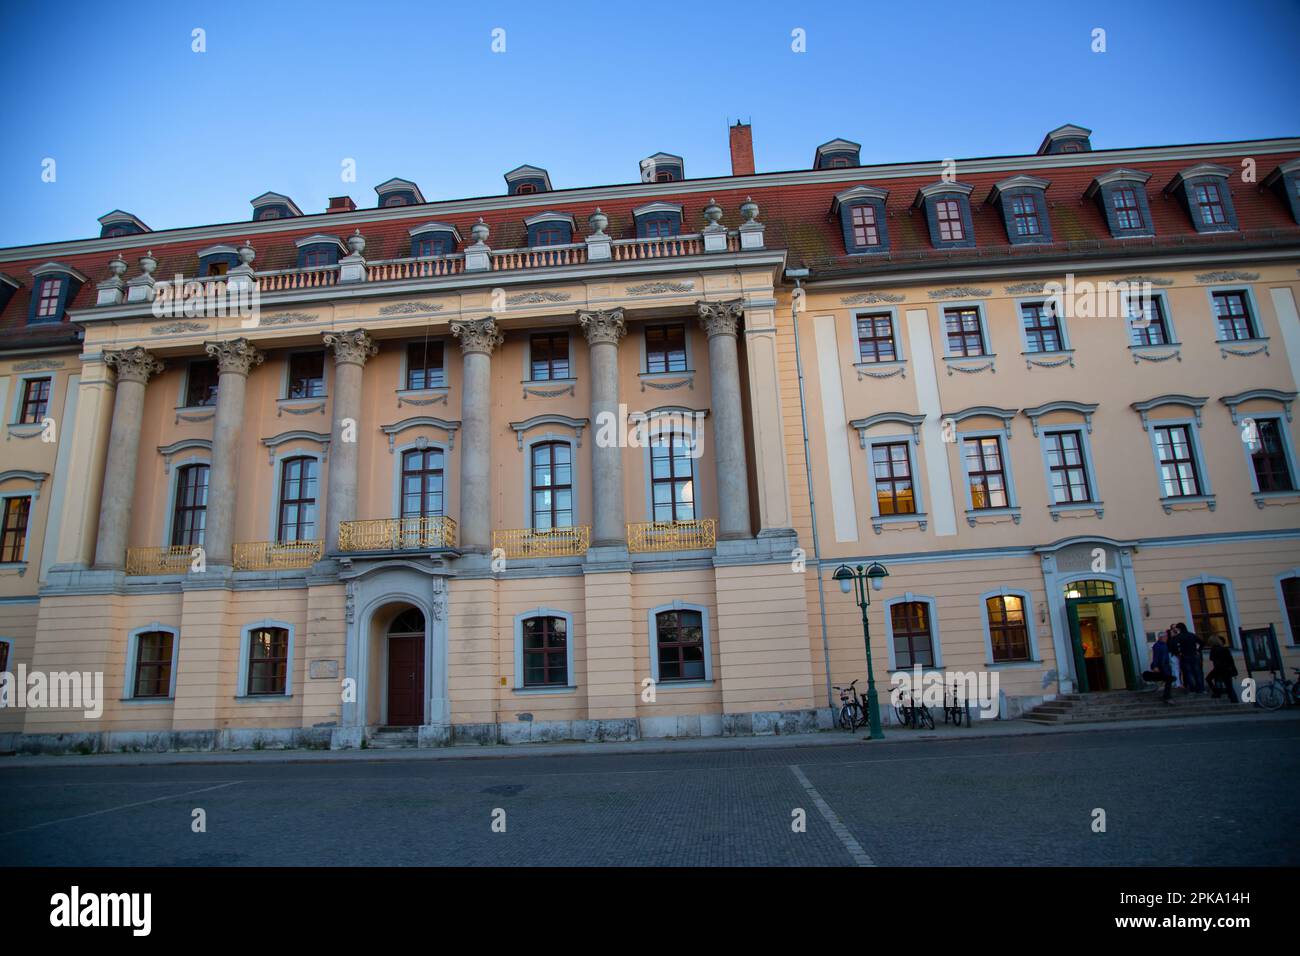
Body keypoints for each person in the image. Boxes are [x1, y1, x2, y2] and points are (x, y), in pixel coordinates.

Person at [1142, 630, 1175, 703]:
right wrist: (1155, 666)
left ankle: (1166, 695)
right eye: (1165, 637)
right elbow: (1155, 657)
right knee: (1168, 680)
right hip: (1162, 666)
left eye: (1166, 636)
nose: (1166, 638)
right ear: (1161, 637)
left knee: (1168, 680)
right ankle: (1167, 697)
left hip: (1166, 666)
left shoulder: (1164, 645)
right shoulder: (1157, 646)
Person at [1174, 622, 1206, 693]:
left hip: (1185, 656)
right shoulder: (1191, 635)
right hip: (1194, 655)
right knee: (1198, 672)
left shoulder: (1179, 636)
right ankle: (1201, 688)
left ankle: (1193, 688)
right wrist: (1198, 650)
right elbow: (1202, 642)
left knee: (1189, 673)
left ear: (1179, 629)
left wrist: (1178, 653)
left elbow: (1173, 645)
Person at [1205, 636, 1238, 702]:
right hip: (1227, 669)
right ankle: (1234, 700)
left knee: (1209, 679)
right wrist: (1233, 670)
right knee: (1229, 686)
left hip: (1218, 669)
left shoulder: (1213, 649)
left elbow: (1211, 658)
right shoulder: (1225, 649)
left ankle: (1217, 692)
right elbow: (1230, 660)